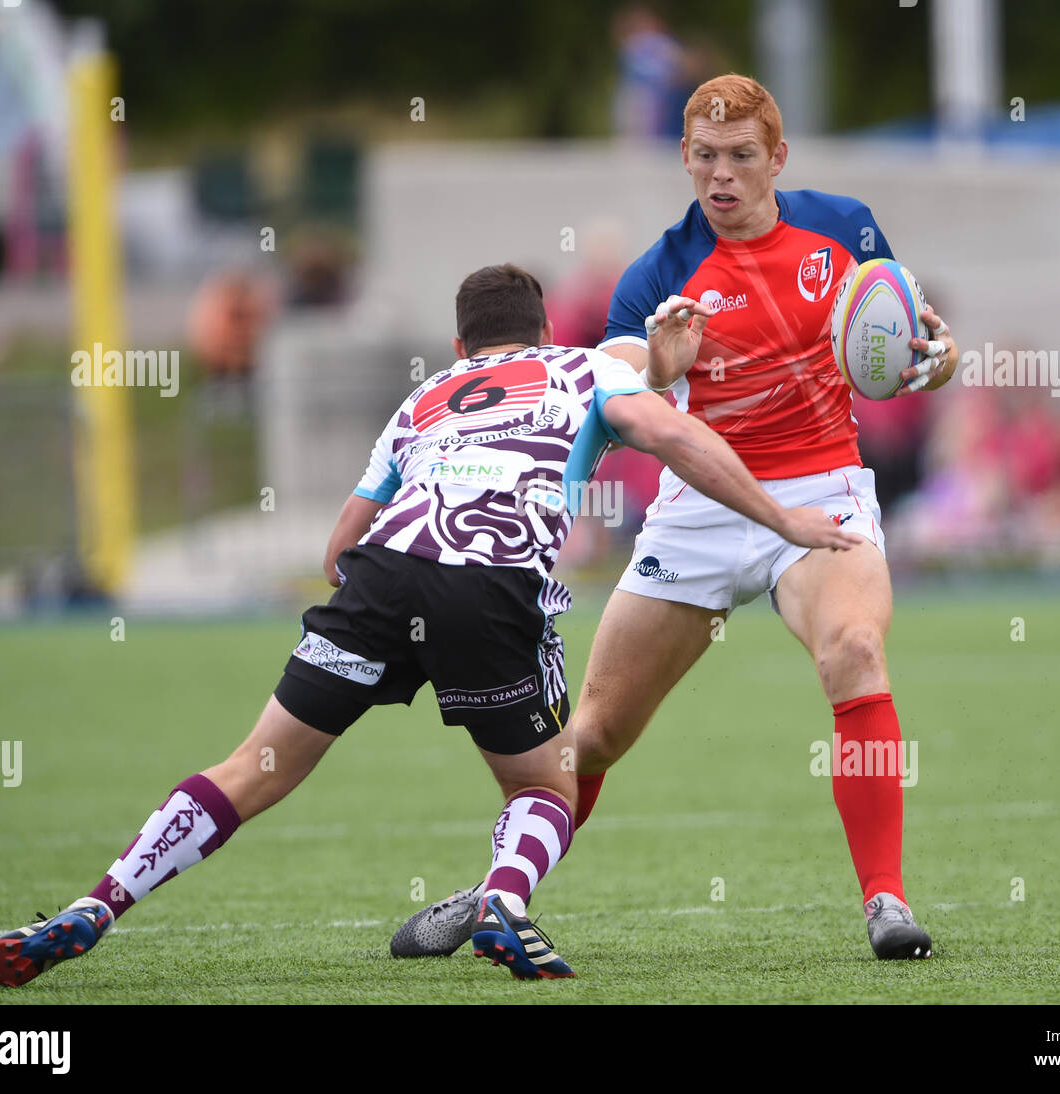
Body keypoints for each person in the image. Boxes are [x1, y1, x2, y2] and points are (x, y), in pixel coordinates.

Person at [0, 263, 860, 988]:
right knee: (545, 788)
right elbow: (671, 437)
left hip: (382, 579)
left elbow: (340, 544)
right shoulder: (585, 368)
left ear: (457, 343)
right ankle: (505, 905)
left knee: (249, 769)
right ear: (545, 332)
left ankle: (95, 905)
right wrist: (781, 519)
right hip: (490, 584)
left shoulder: (425, 399)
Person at [393, 75, 959, 962]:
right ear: (684, 158)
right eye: (705, 157)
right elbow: (613, 389)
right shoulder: (658, 274)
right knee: (593, 734)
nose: (721, 175)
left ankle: (885, 900)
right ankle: (497, 888)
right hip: (698, 508)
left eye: (741, 157)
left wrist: (938, 359)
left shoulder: (845, 228)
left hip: (821, 493)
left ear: (778, 157)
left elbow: (902, 342)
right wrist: (662, 367)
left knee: (855, 651)